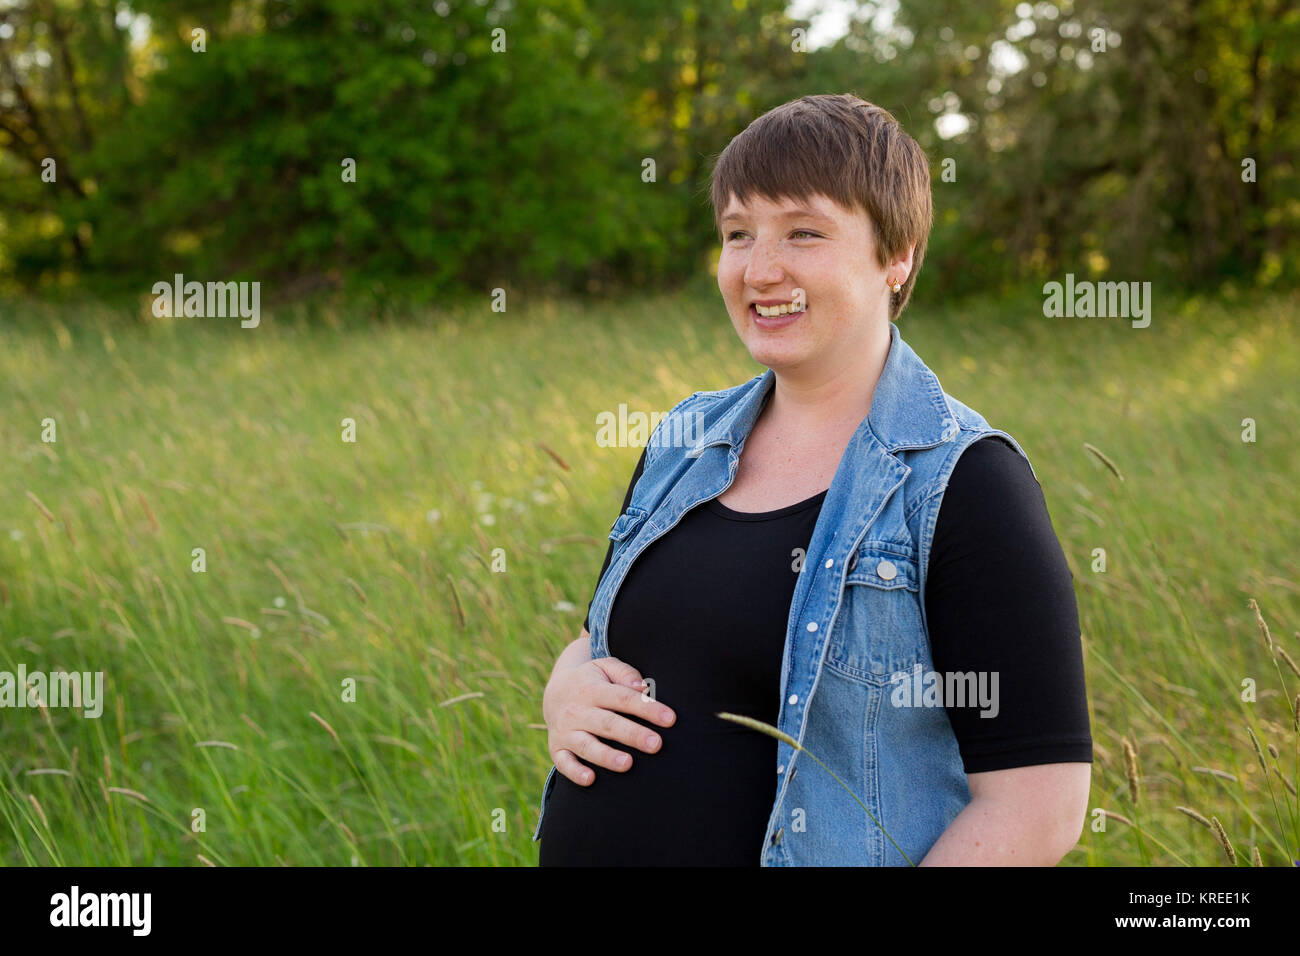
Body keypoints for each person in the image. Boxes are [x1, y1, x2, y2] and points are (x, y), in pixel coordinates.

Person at [534, 93, 1092, 866]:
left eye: (803, 231)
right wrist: (564, 689)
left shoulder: (965, 483)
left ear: (896, 255)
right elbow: (605, 641)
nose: (761, 270)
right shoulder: (682, 439)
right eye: (738, 234)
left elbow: (1039, 805)